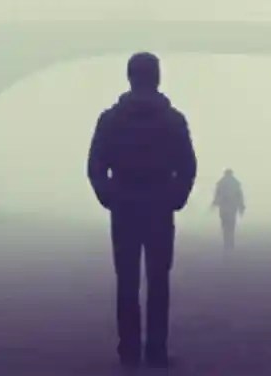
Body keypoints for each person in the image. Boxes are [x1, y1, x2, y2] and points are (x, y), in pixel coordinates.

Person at [87, 52, 197, 370]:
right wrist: (176, 197)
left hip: (124, 206)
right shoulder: (173, 120)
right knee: (159, 281)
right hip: (160, 205)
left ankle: (129, 350)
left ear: (130, 77)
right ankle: (156, 351)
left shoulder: (110, 119)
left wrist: (109, 196)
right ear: (157, 77)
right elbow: (187, 166)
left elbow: (95, 166)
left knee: (127, 281)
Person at [210, 169, 246, 251]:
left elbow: (217, 195)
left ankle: (226, 240)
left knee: (224, 224)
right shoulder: (236, 183)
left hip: (224, 208)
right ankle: (230, 241)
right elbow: (239, 197)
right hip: (232, 208)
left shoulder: (221, 183)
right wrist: (241, 207)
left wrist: (213, 205)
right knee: (231, 224)